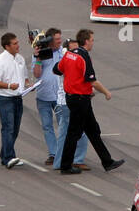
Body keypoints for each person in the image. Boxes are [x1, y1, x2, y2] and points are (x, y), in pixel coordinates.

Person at [52, 29, 124, 176]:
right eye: (92, 40)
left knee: (92, 130)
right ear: (86, 41)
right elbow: (92, 80)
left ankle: (107, 161)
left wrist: (72, 79)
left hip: (73, 97)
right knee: (74, 133)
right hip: (80, 99)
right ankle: (65, 166)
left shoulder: (69, 54)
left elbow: (57, 70)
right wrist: (106, 92)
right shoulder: (83, 57)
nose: (93, 43)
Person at [0, 32, 29, 169]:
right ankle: (9, 157)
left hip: (18, 97)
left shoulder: (20, 59)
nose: (18, 45)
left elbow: (24, 76)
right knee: (8, 127)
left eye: (17, 42)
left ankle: (5, 155)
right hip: (4, 98)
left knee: (15, 128)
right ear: (7, 46)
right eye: (15, 43)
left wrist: (29, 85)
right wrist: (9, 86)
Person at [30, 29, 66, 166]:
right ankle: (53, 153)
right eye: (57, 39)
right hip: (43, 96)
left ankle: (63, 153)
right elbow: (37, 74)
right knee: (47, 126)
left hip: (59, 96)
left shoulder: (62, 52)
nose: (60, 41)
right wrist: (38, 59)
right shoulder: (40, 53)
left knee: (63, 125)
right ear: (50, 40)